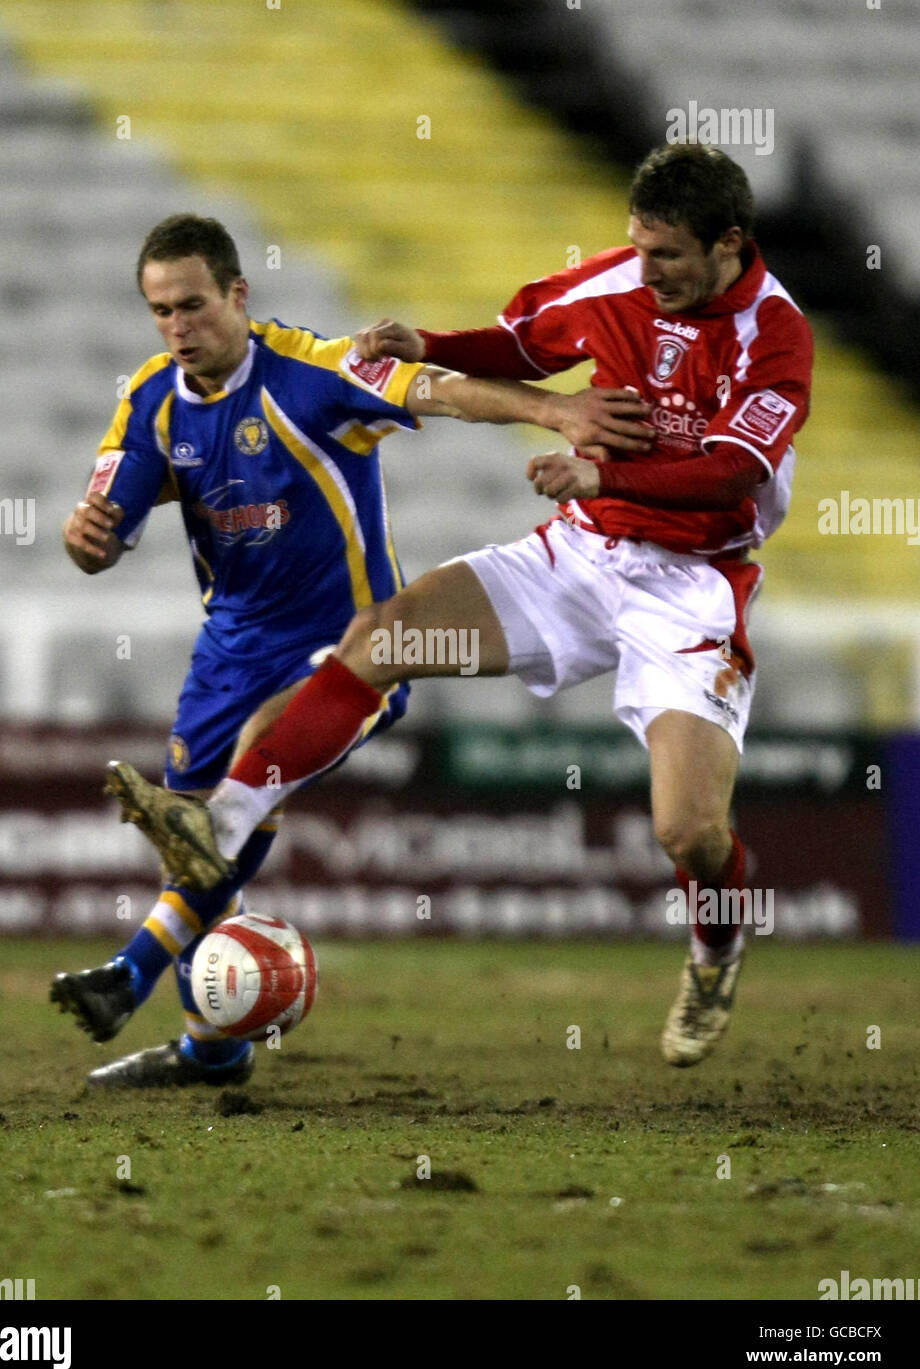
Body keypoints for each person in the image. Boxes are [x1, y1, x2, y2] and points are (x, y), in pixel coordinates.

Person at [108, 145, 814, 1069]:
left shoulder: (776, 332)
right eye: (637, 249)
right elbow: (523, 347)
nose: (647, 272)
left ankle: (715, 943)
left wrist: (604, 468)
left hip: (691, 583)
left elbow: (736, 468)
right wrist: (427, 346)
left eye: (668, 257)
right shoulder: (616, 280)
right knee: (379, 639)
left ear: (729, 243)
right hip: (578, 554)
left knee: (688, 830)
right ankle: (223, 826)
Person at [51, 212, 652, 1087]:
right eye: (160, 312)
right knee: (197, 837)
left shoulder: (312, 371)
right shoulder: (149, 402)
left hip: (350, 649)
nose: (178, 327)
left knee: (254, 762)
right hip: (227, 652)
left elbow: (434, 391)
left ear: (237, 296)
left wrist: (551, 408)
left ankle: (129, 970)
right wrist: (85, 539)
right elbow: (98, 543)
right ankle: (213, 1052)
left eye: (192, 306)